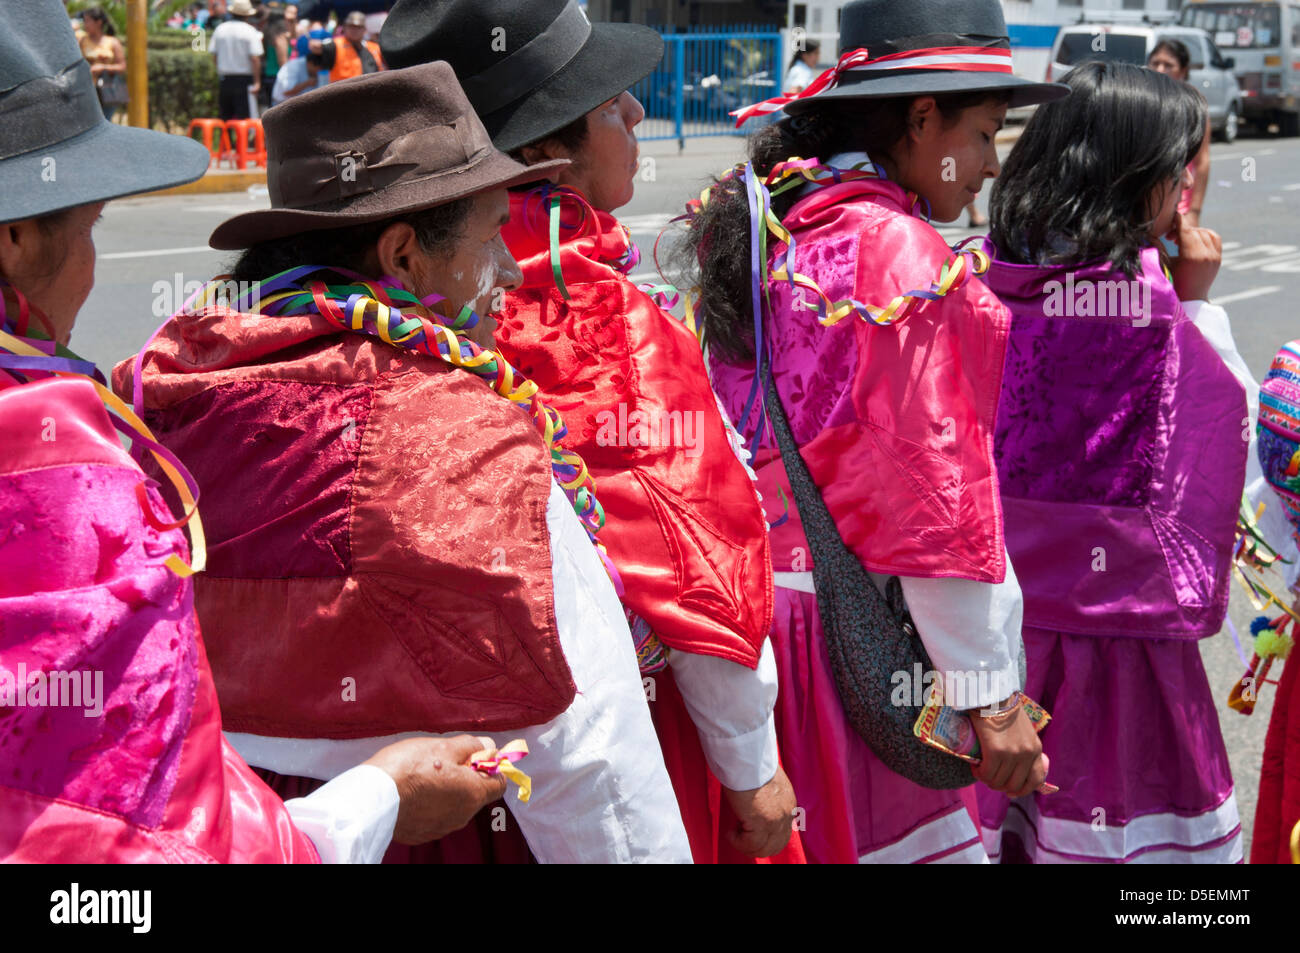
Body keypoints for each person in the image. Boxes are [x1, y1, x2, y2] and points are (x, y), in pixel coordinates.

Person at [115, 62, 693, 864]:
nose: (512, 270)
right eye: (492, 233)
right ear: (405, 257)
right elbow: (596, 759)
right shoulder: (466, 436)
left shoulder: (158, 406)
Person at [1, 0, 508, 864]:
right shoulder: (57, 465)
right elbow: (136, 848)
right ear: (14, 239)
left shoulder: (171, 383)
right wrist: (378, 801)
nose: (509, 269)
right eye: (88, 229)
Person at [382, 0, 801, 863]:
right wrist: (752, 765)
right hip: (612, 757)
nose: (639, 113)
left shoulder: (403, 295)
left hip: (426, 774)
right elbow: (692, 563)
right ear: (544, 150)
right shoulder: (594, 315)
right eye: (612, 102)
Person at [682, 0, 1066, 864]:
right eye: (986, 132)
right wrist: (990, 692)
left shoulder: (780, 226)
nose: (992, 166)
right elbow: (931, 496)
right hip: (863, 645)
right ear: (922, 119)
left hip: (769, 629)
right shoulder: (896, 253)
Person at [979, 61, 1247, 863]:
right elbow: (1214, 444)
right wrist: (1198, 300)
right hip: (1121, 653)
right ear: (1139, 182)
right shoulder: (1151, 308)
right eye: (1177, 174)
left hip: (990, 643)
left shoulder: (976, 281)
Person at [1149, 39, 1211, 229]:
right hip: (1142, 212)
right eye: (1155, 63)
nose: (1160, 69)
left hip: (1177, 211)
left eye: (1168, 65)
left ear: (1183, 70)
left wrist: (1194, 212)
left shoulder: (1192, 106)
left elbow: (1202, 162)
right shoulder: (1142, 101)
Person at [211, 0, 263, 119]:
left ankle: (226, 138)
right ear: (247, 15)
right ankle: (244, 139)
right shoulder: (250, 30)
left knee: (225, 116)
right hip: (244, 80)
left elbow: (214, 56)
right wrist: (257, 82)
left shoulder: (220, 29)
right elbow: (255, 58)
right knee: (244, 118)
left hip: (225, 79)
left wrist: (219, 71)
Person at [75, 6, 126, 121]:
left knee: (106, 120)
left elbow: (122, 66)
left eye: (88, 21)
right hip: (87, 89)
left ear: (98, 22)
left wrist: (104, 67)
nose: (85, 24)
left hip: (108, 89)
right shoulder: (82, 40)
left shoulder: (112, 42)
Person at [271, 31, 329, 104]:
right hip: (280, 104)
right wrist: (307, 83)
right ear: (311, 63)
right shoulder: (293, 66)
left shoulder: (314, 73)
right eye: (318, 68)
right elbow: (286, 92)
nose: (318, 71)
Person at [324, 10, 383, 80]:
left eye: (358, 27)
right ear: (345, 27)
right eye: (351, 26)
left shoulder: (375, 48)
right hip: (343, 89)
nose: (354, 30)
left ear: (364, 29)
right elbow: (317, 49)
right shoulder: (335, 45)